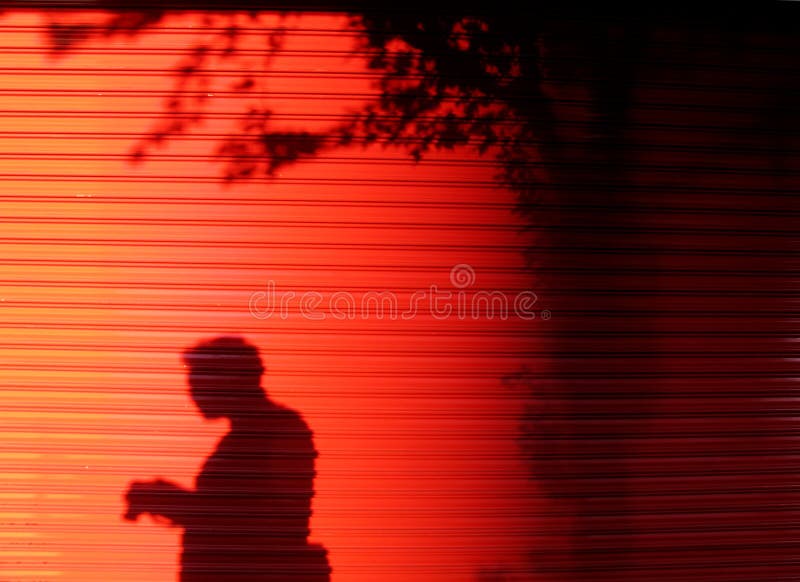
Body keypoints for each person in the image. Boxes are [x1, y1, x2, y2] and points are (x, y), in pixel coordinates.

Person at [123, 336, 330, 581]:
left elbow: (270, 523)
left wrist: (175, 502)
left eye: (199, 380)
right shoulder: (245, 437)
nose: (192, 392)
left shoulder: (280, 429)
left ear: (230, 379)